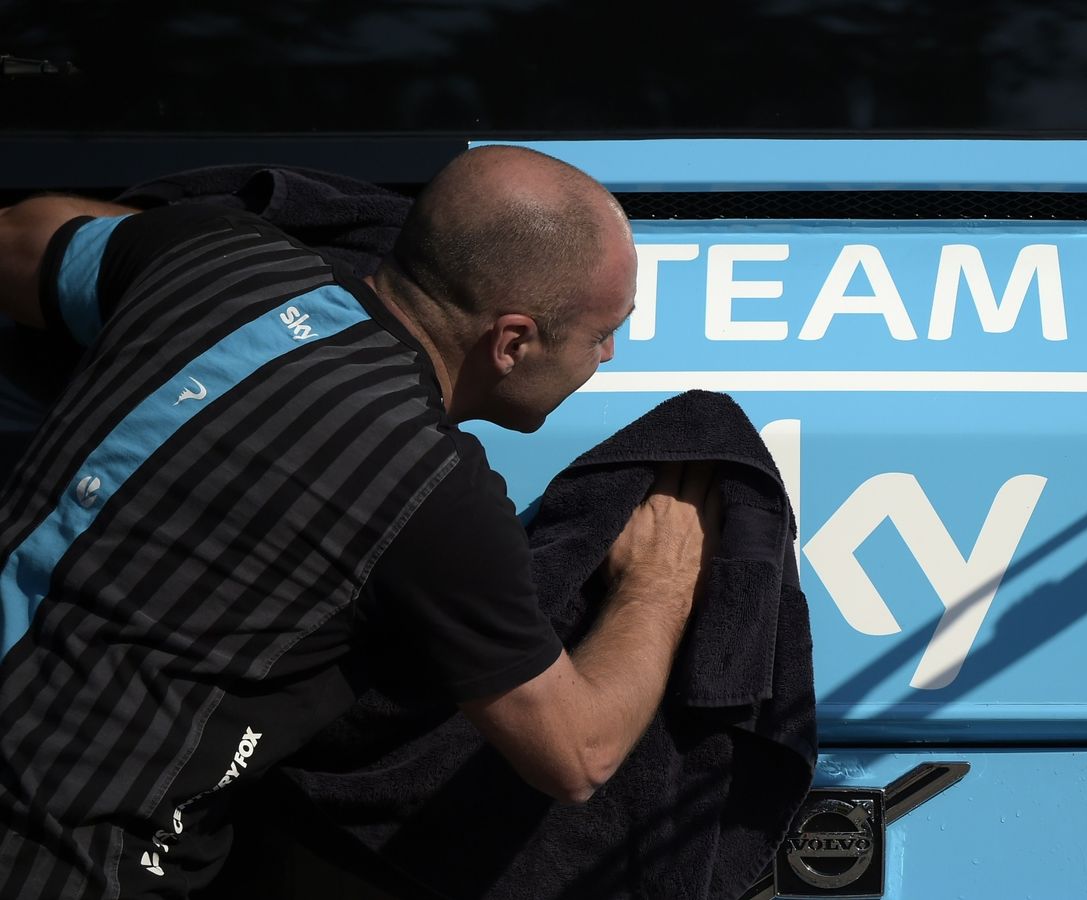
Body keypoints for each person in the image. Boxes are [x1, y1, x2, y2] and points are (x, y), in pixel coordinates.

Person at [0, 145, 718, 898]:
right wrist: (659, 583)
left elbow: (20, 234)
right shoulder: (431, 490)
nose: (608, 353)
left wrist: (145, 264)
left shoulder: (210, 259)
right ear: (511, 342)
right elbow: (578, 752)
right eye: (601, 333)